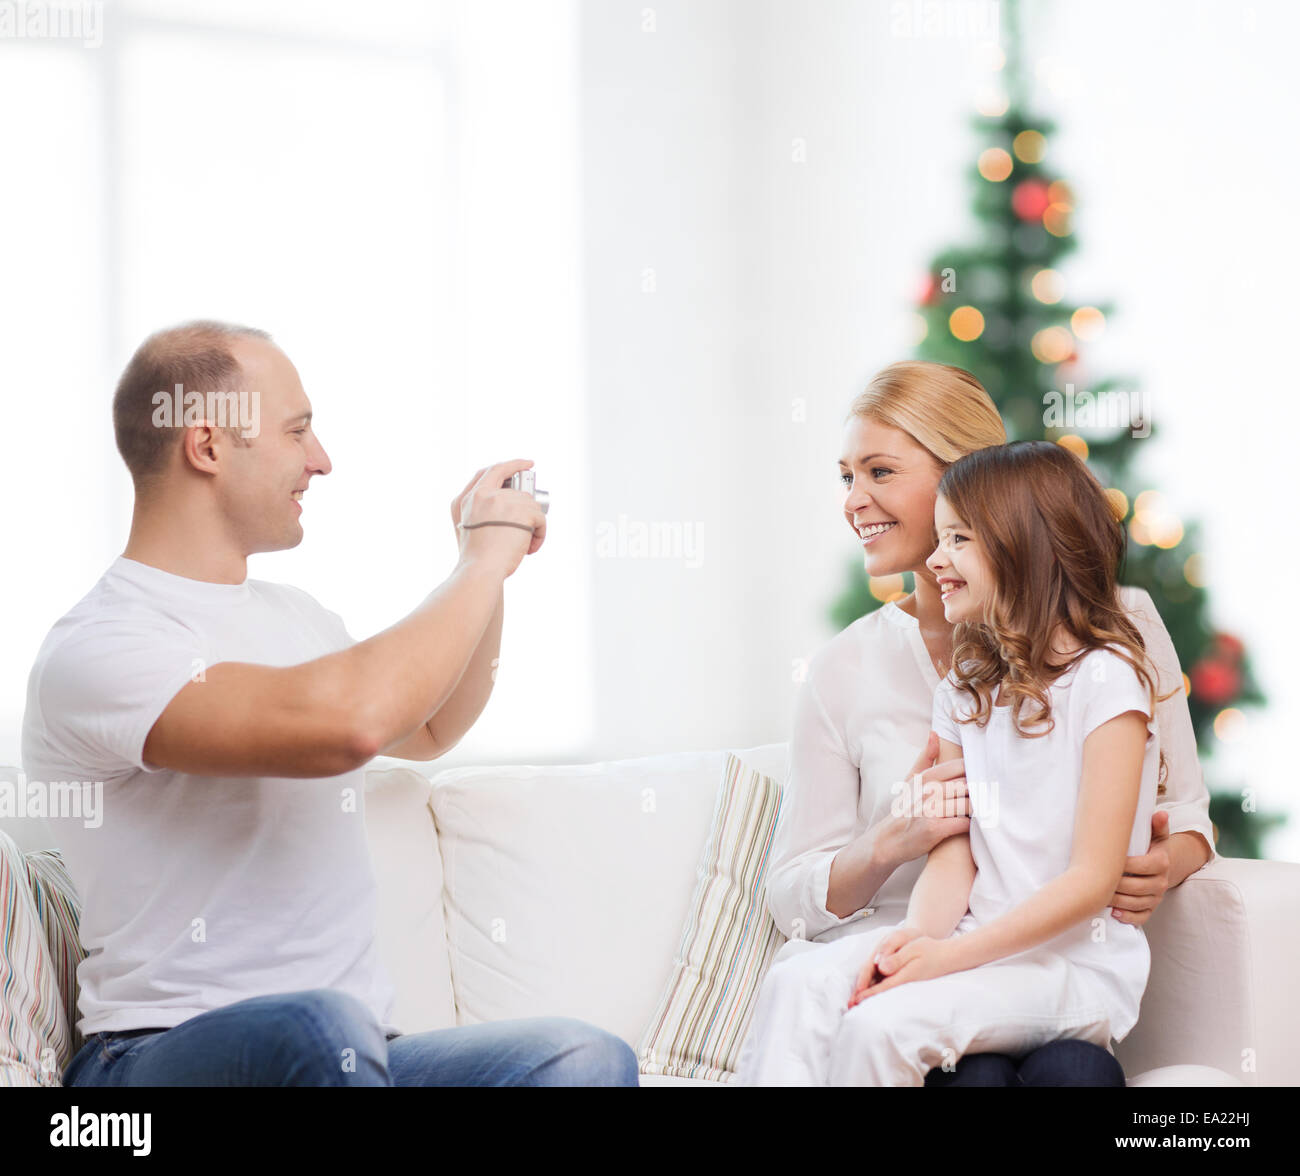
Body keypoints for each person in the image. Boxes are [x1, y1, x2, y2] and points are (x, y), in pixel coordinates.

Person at [23, 320, 638, 1087]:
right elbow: (347, 724)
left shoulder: (297, 617)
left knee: (582, 1058)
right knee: (319, 1025)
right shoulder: (102, 647)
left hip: (353, 1056)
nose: (322, 460)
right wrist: (479, 563)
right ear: (208, 446)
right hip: (157, 1056)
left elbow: (434, 723)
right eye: (298, 431)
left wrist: (486, 571)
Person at [743, 361, 1215, 1087]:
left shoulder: (1116, 645)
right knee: (819, 993)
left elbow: (1179, 816)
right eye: (846, 477)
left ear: (982, 487)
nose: (853, 502)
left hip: (1044, 964)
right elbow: (807, 894)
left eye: (879, 472)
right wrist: (892, 853)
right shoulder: (907, 679)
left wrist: (1161, 864)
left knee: (1070, 1077)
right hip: (948, 951)